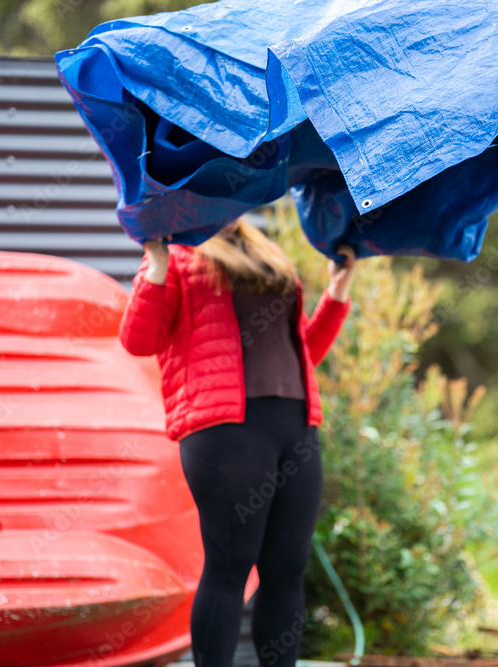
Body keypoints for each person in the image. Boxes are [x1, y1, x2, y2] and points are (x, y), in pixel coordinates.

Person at [118, 219, 356, 667]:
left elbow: (302, 350)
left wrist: (337, 294)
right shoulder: (180, 253)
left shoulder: (266, 252)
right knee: (230, 566)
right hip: (226, 429)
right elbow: (137, 340)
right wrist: (156, 268)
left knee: (287, 570)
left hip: (295, 424)